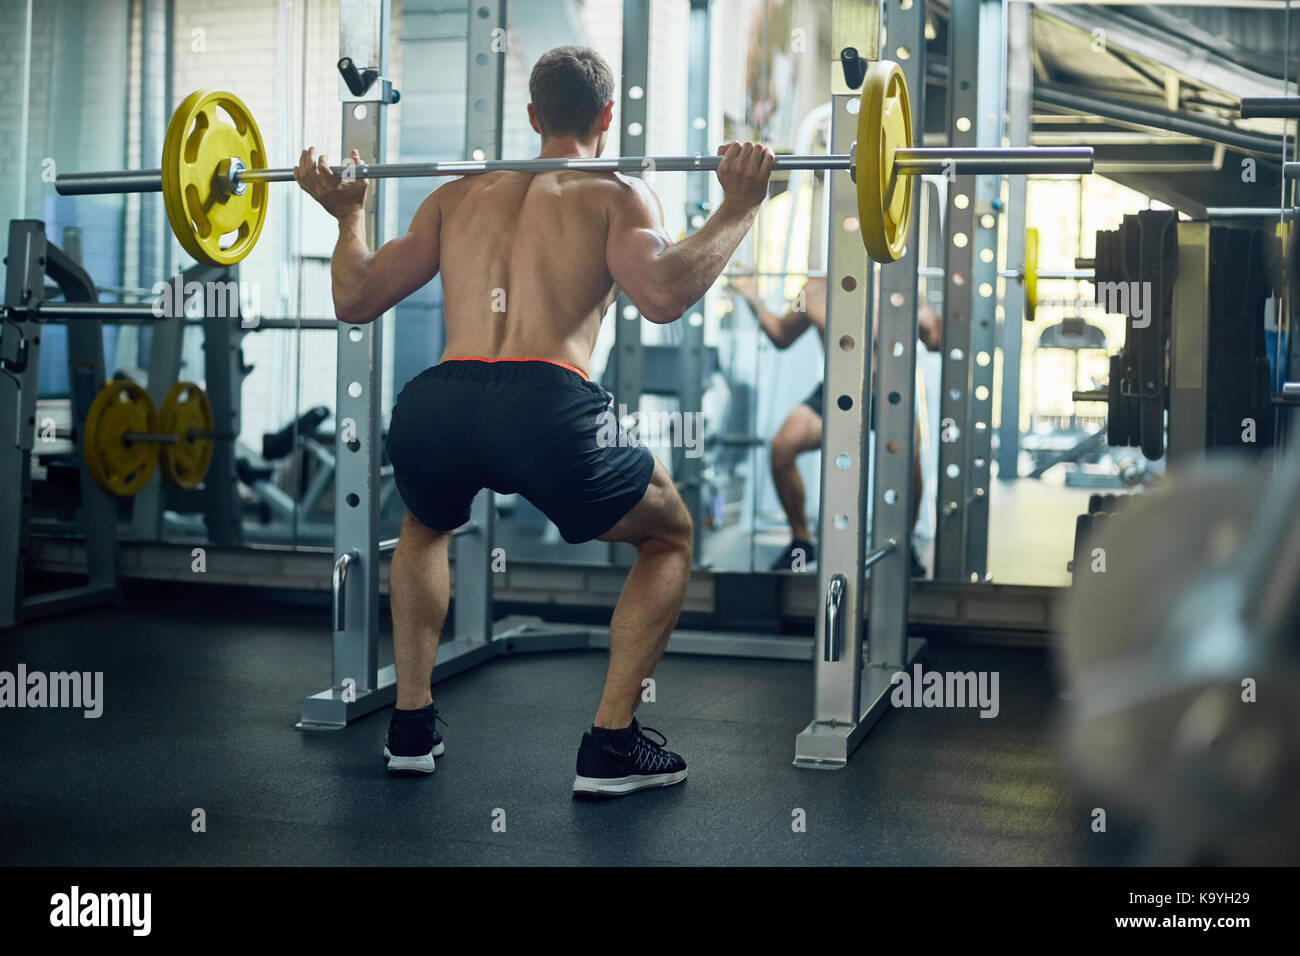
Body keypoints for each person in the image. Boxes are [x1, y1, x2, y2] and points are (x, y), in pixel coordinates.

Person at [294, 46, 775, 797]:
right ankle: (611, 744)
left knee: (426, 525)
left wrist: (348, 217)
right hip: (547, 402)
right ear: (607, 117)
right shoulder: (615, 194)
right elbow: (661, 295)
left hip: (439, 400)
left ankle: (411, 726)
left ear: (530, 115)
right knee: (669, 531)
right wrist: (738, 206)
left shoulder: (459, 194)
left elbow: (354, 298)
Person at [728, 273, 941, 575]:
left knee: (909, 457)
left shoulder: (899, 286)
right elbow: (781, 336)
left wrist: (941, 311)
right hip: (838, 393)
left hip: (889, 396)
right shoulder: (813, 292)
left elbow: (933, 341)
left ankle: (903, 545)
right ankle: (801, 541)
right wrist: (751, 295)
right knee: (782, 448)